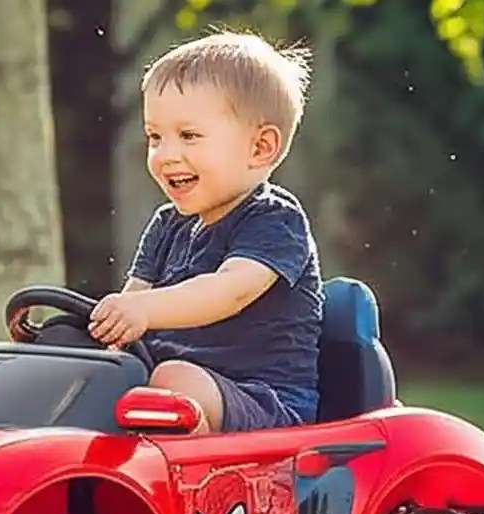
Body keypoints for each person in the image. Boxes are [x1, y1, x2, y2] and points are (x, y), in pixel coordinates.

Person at [88, 29, 322, 434]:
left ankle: (172, 489)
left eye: (189, 136)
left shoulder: (274, 220)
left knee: (173, 382)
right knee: (101, 372)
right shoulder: (167, 225)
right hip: (171, 389)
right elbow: (132, 308)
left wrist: (143, 311)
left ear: (260, 148)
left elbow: (230, 290)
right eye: (155, 137)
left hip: (264, 405)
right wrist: (87, 335)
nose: (165, 155)